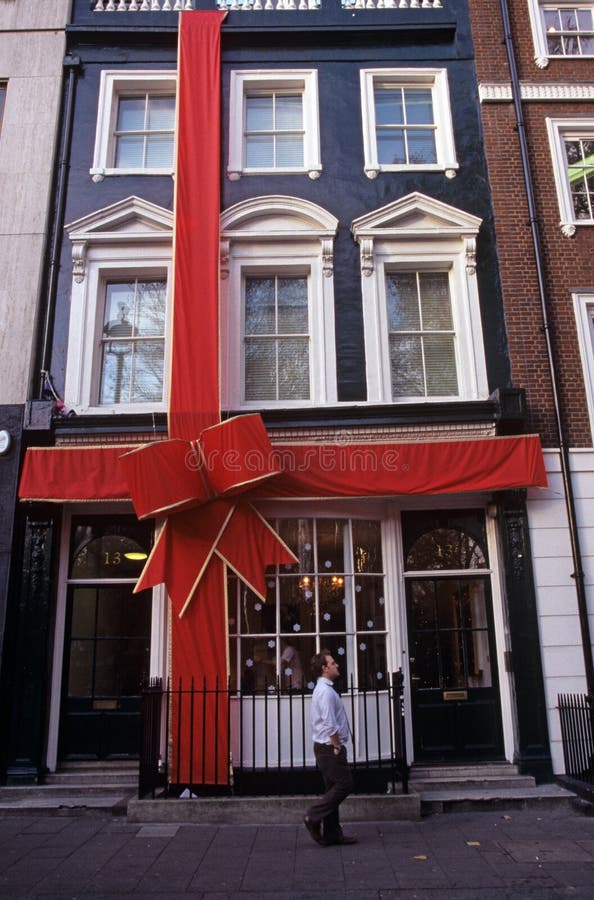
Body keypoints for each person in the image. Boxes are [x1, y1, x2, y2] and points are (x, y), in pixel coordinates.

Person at [303, 650, 357, 846]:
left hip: (326, 747)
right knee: (345, 784)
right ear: (324, 669)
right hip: (329, 748)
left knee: (332, 788)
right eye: (333, 663)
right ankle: (312, 816)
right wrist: (336, 746)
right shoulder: (325, 692)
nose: (337, 665)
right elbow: (329, 723)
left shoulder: (325, 689)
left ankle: (333, 833)